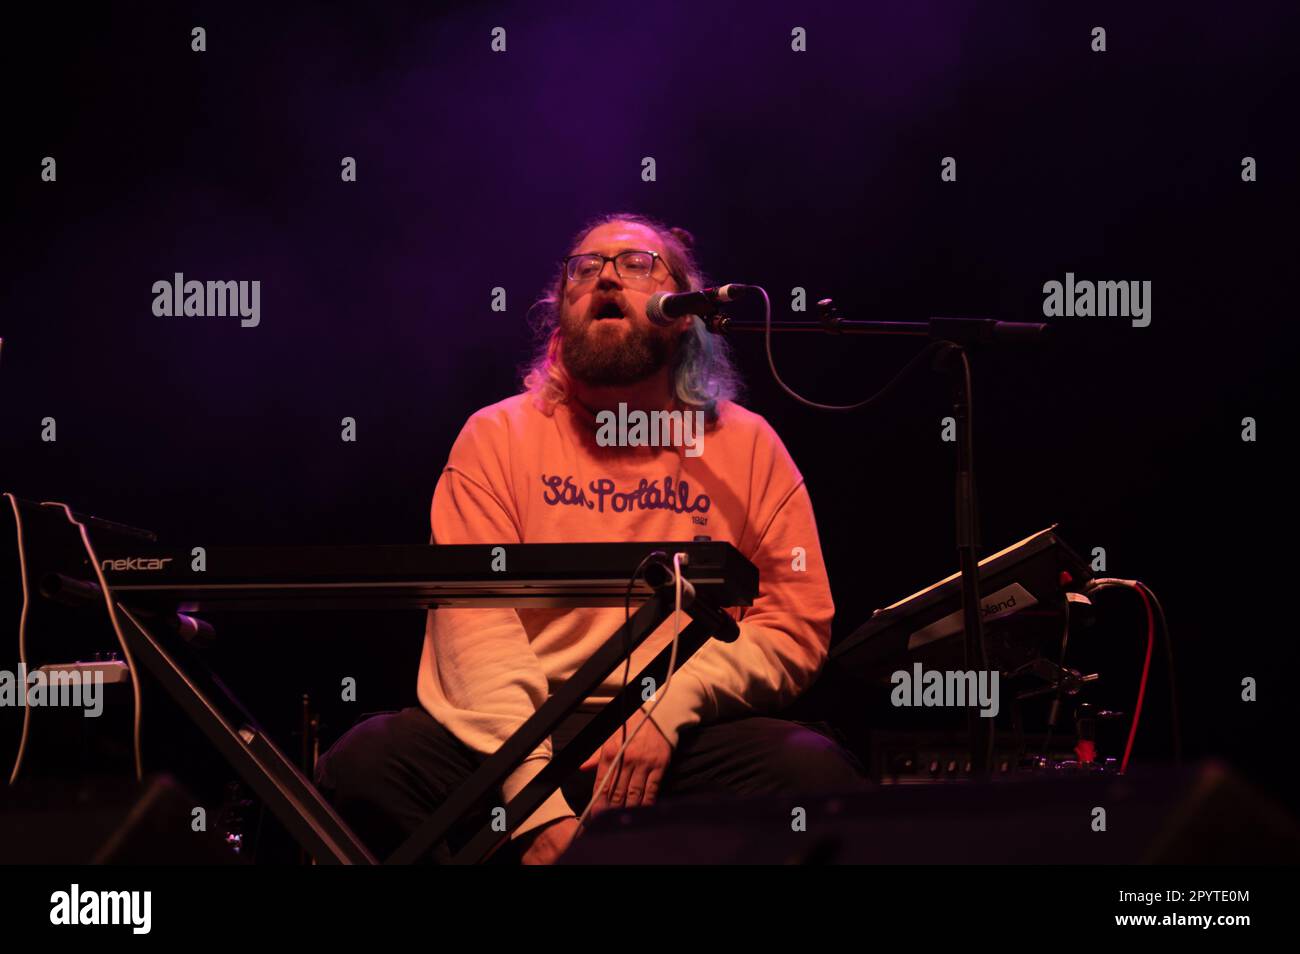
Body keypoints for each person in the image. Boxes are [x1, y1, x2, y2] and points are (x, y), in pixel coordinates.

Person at [315, 212, 866, 864]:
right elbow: (476, 634)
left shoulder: (746, 446)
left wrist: (673, 699)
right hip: (521, 731)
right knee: (367, 764)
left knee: (812, 776)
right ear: (561, 311)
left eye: (637, 265)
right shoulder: (496, 439)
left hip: (678, 730)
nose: (605, 274)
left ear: (686, 310)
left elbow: (794, 622)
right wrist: (532, 809)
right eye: (584, 268)